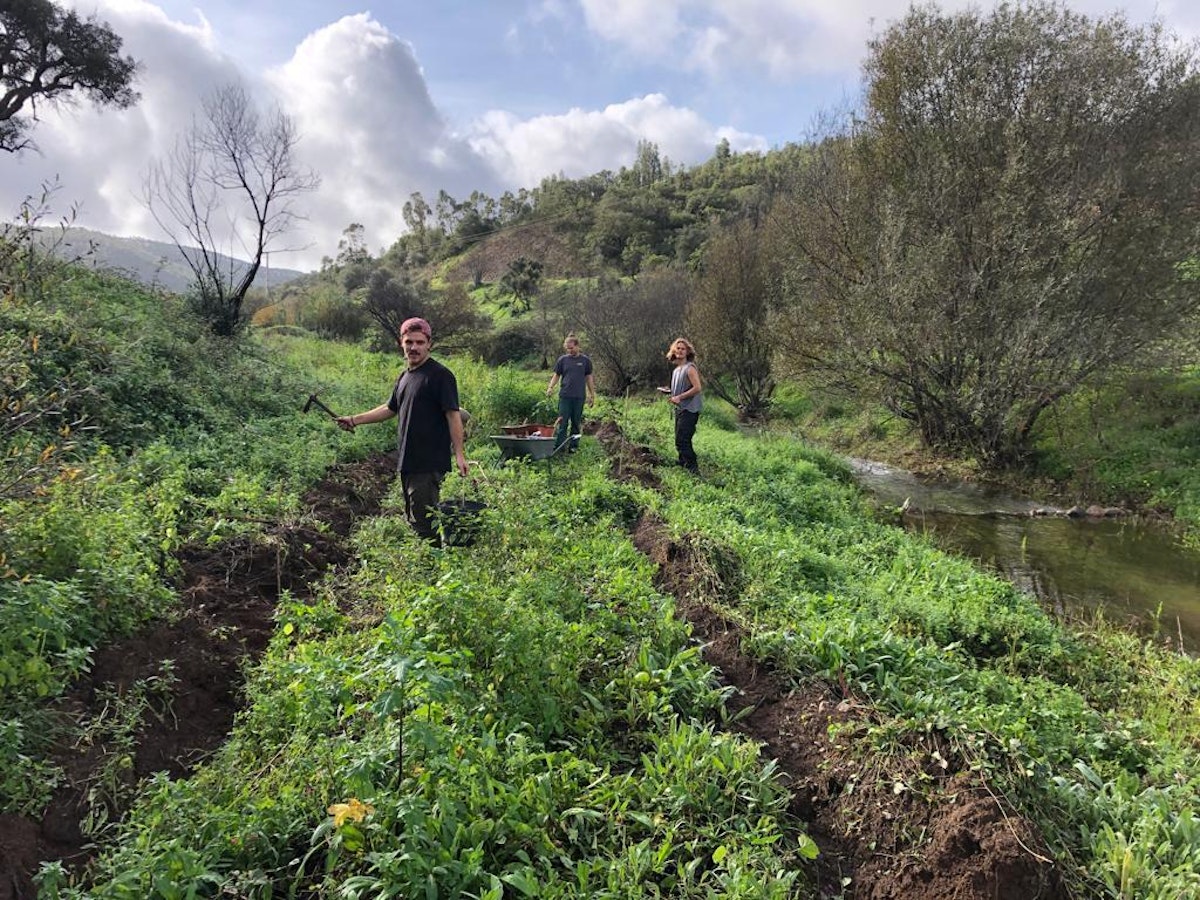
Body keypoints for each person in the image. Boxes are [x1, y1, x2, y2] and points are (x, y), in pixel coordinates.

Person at [336, 317, 469, 541]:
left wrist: (459, 454)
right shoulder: (405, 376)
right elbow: (390, 409)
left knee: (424, 521)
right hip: (408, 459)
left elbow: (453, 415)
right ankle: (429, 561)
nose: (414, 348)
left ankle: (432, 567)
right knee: (414, 515)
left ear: (429, 344)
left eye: (419, 342)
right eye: (409, 342)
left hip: (427, 462)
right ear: (401, 343)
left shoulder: (440, 376)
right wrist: (354, 419)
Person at [657, 337, 702, 473]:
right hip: (680, 409)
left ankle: (693, 468)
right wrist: (669, 392)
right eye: (678, 348)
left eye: (683, 349)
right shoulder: (676, 370)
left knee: (683, 439)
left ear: (687, 352)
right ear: (674, 351)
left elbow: (697, 388)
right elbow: (679, 388)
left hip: (690, 409)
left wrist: (679, 397)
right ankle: (682, 462)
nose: (681, 351)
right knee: (678, 437)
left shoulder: (690, 368)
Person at [545, 334, 595, 452]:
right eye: (567, 348)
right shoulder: (563, 360)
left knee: (576, 423)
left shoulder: (585, 361)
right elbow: (557, 375)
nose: (569, 350)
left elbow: (589, 378)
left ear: (577, 346)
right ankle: (559, 447)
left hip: (579, 397)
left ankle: (573, 446)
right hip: (565, 396)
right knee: (562, 422)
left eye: (571, 348)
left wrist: (591, 394)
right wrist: (550, 387)